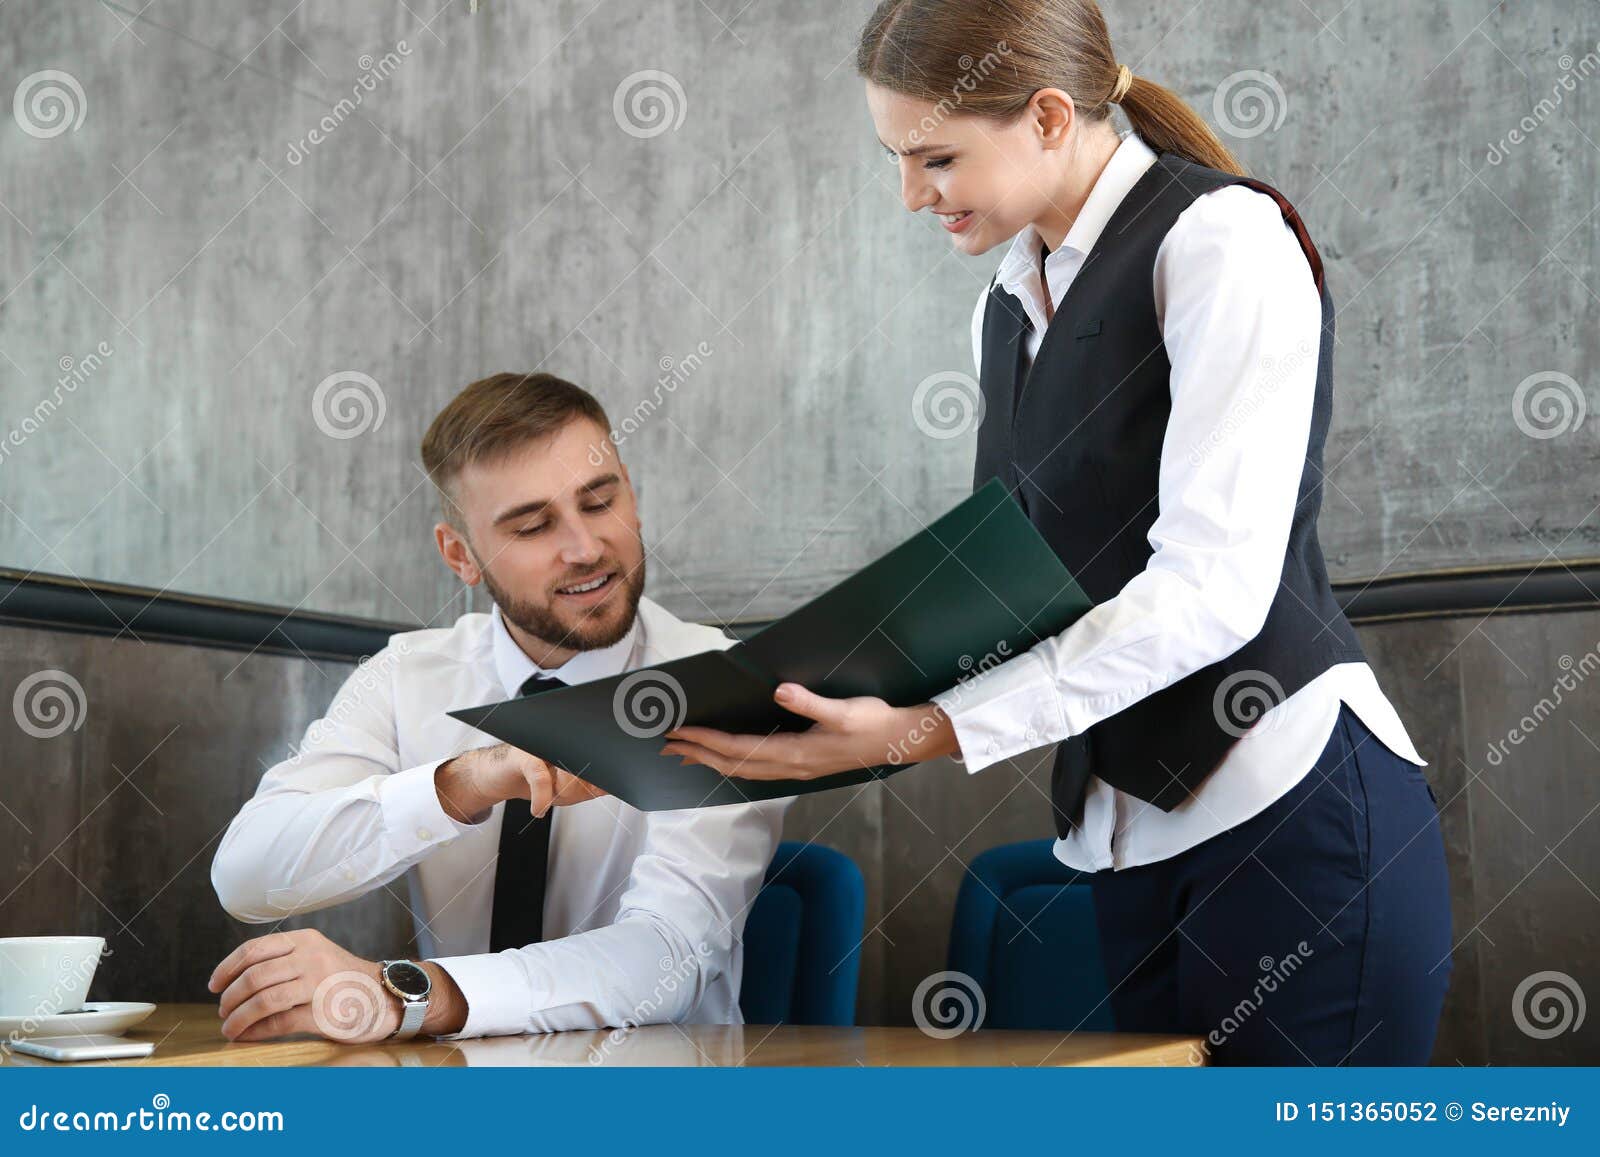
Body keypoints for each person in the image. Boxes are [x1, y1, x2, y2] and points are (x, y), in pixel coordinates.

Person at [660, 0, 1452, 1065]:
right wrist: (787, 705)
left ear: (1043, 115)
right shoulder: (1005, 299)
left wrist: (927, 730)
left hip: (1292, 817)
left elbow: (1213, 587)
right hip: (1121, 844)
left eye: (934, 156)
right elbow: (1019, 582)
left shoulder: (1219, 239)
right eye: (896, 158)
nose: (909, 194)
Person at [208, 372, 787, 1043]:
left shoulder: (720, 683)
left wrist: (411, 993)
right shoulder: (405, 677)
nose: (586, 548)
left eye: (600, 502)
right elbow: (247, 875)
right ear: (461, 556)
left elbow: (669, 952)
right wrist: (461, 783)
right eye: (535, 525)